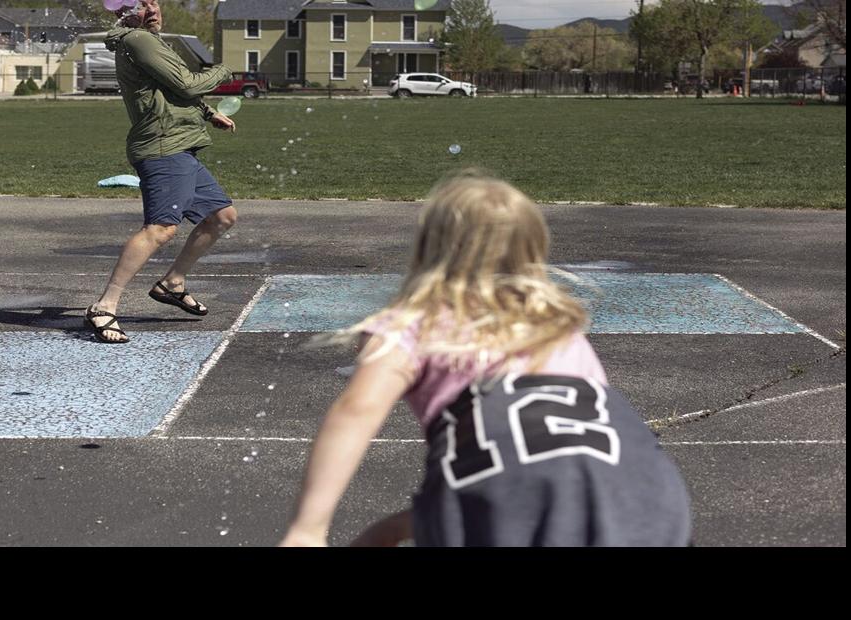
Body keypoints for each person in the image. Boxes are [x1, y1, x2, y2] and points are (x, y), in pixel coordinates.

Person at [278, 173, 692, 547]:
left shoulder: (414, 325)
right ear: (532, 247)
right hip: (647, 495)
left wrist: (308, 528)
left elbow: (357, 410)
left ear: (429, 247)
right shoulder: (557, 324)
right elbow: (556, 476)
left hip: (511, 496)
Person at [85, 0, 240, 344]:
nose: (152, 9)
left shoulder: (146, 40)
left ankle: (172, 283)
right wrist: (223, 71)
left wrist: (206, 111)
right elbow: (185, 83)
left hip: (178, 145)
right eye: (142, 5)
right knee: (160, 229)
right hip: (162, 149)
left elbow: (172, 89)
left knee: (222, 217)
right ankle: (104, 306)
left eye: (153, 2)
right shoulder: (137, 40)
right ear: (122, 11)